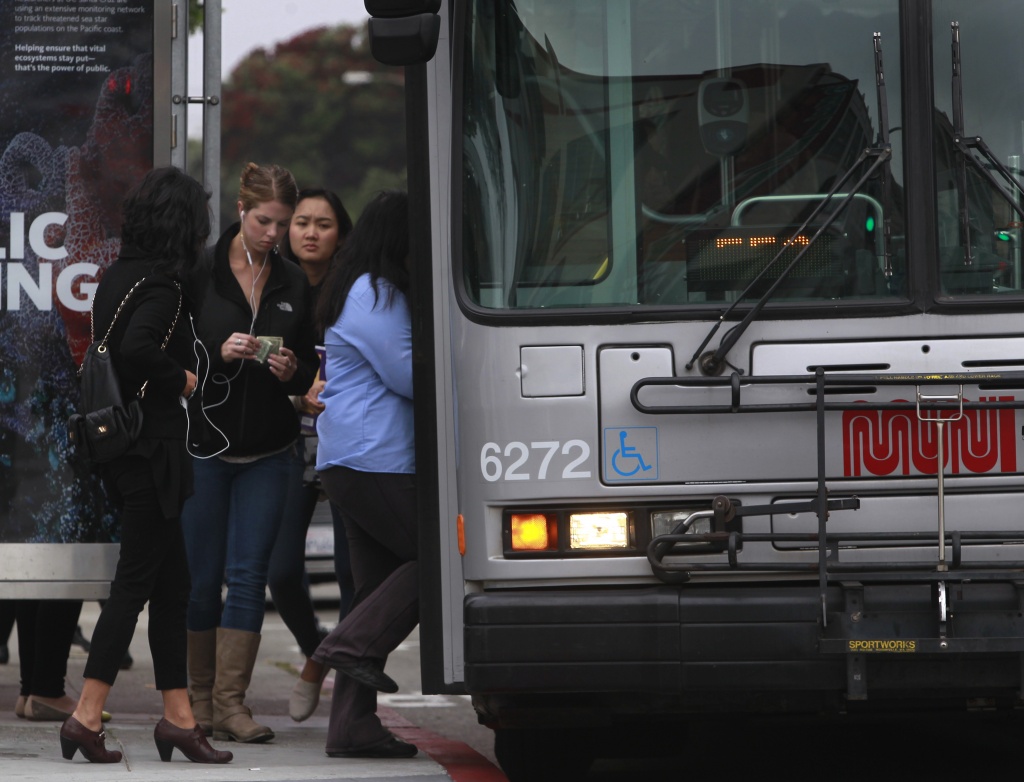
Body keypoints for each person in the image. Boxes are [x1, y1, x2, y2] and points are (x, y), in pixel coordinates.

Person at [60, 166, 232, 765]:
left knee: (172, 586)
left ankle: (178, 720)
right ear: (182, 226)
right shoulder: (164, 285)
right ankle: (85, 716)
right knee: (134, 585)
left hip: (126, 450)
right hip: (151, 450)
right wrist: (179, 377)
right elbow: (136, 348)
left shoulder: (117, 275)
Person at [181, 162, 318, 744]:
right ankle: (197, 703)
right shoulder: (200, 271)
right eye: (264, 221)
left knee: (248, 578)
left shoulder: (293, 282)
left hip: (270, 447)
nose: (274, 234)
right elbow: (171, 353)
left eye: (283, 224)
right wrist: (217, 353)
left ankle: (231, 704)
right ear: (241, 210)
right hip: (204, 446)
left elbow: (308, 367)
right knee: (202, 579)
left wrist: (293, 371)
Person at [309, 190, 419, 759]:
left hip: (354, 457)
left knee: (374, 591)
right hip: (375, 457)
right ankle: (346, 645)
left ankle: (351, 726)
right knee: (441, 560)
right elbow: (409, 376)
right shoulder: (376, 293)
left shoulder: (355, 287)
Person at [266, 188, 356, 723]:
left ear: (340, 234)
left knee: (351, 574)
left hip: (348, 445)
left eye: (324, 223)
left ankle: (343, 684)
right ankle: (316, 651)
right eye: (301, 222)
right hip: (289, 441)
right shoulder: (273, 286)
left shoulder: (356, 293)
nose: (311, 233)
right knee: (280, 571)